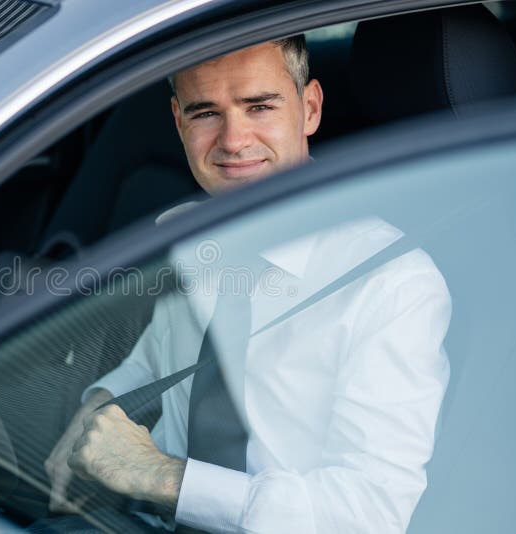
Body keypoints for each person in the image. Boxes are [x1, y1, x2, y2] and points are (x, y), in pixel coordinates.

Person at [44, 37, 451, 533]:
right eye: (205, 113)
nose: (233, 140)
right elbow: (161, 356)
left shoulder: (390, 282)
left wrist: (162, 477)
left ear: (310, 109)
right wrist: (98, 406)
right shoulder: (188, 233)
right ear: (178, 121)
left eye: (259, 106)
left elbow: (367, 515)